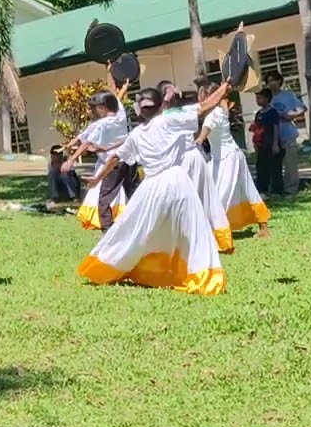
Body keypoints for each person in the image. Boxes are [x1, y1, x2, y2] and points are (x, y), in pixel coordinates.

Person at [76, 80, 234, 296]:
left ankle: (108, 265)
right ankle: (201, 276)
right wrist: (224, 88)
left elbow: (114, 158)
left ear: (141, 112)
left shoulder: (137, 134)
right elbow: (205, 106)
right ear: (161, 107)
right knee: (194, 230)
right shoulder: (170, 121)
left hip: (151, 188)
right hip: (177, 181)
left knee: (132, 229)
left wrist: (96, 179)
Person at [159, 81, 235, 254]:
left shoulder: (182, 111)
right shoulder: (166, 116)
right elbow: (207, 103)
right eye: (170, 90)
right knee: (191, 200)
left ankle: (212, 239)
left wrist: (223, 89)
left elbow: (207, 104)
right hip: (181, 162)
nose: (174, 91)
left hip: (190, 160)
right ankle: (193, 239)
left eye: (173, 87)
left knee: (203, 198)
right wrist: (223, 89)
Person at [198, 82, 272, 238]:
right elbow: (224, 97)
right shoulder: (222, 109)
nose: (200, 101)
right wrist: (226, 85)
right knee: (246, 190)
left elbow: (199, 140)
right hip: (229, 156)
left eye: (202, 96)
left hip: (227, 159)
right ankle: (262, 225)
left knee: (220, 194)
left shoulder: (211, 117)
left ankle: (218, 231)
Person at [64, 85, 132, 231]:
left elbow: (87, 142)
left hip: (111, 165)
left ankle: (109, 230)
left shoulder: (103, 124)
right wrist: (124, 87)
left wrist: (71, 159)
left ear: (102, 108)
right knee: (127, 192)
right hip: (128, 162)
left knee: (104, 198)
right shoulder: (121, 115)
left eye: (95, 108)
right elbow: (116, 97)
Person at [265, 71, 306, 195]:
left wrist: (289, 115)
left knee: (290, 163)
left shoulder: (288, 95)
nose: (272, 83)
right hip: (271, 136)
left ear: (279, 81)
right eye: (269, 80)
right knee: (272, 164)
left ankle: (291, 188)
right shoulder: (266, 97)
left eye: (274, 80)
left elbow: (302, 108)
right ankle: (274, 188)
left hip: (287, 133)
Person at [251, 88, 285, 197]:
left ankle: (277, 190)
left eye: (259, 98)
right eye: (256, 98)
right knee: (261, 167)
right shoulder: (258, 113)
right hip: (261, 144)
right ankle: (263, 190)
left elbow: (276, 127)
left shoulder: (272, 112)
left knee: (275, 167)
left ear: (267, 99)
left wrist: (275, 144)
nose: (257, 100)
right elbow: (256, 128)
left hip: (271, 143)